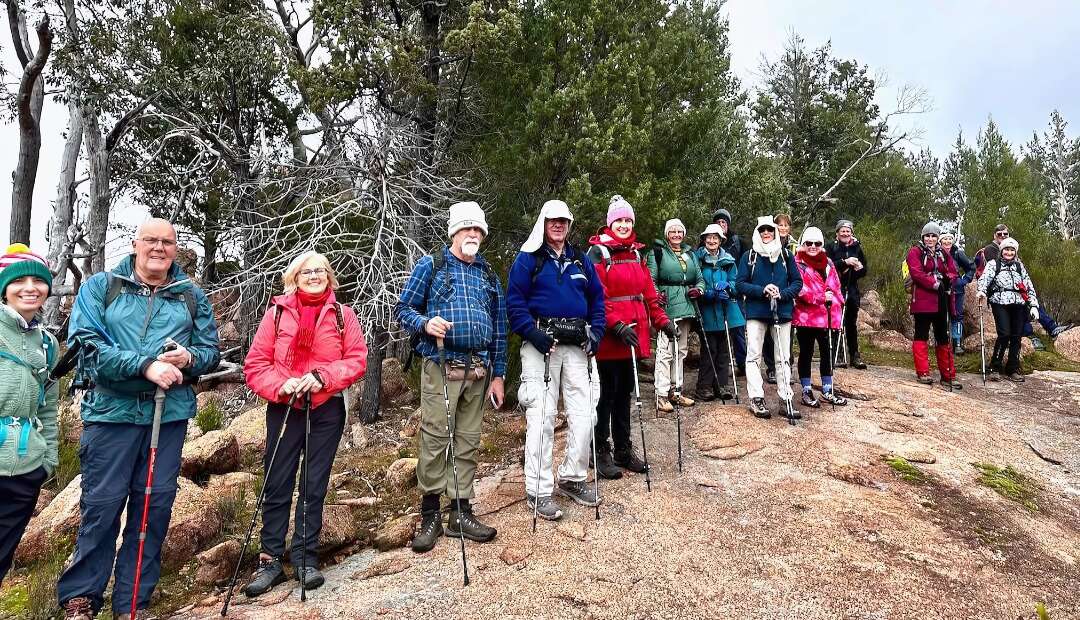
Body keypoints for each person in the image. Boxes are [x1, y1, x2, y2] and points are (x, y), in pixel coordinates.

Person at [58, 219, 220, 620]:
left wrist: (190, 359)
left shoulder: (190, 295)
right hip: (111, 414)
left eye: (167, 242)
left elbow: (209, 351)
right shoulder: (102, 287)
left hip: (167, 417)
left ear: (175, 249)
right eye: (151, 240)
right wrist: (144, 364)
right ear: (135, 243)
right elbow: (87, 346)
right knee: (102, 504)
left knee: (154, 506)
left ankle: (133, 602)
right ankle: (82, 599)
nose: (159, 248)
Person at [241, 251, 368, 595]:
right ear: (293, 278)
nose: (314, 276)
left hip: (325, 408)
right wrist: (279, 385)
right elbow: (255, 364)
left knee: (314, 483)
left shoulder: (344, 315)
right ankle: (270, 561)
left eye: (321, 271)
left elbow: (356, 360)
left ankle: (304, 558)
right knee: (277, 480)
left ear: (329, 277)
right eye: (306, 272)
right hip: (285, 406)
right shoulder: (276, 314)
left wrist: (323, 377)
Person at [396, 201, 507, 553]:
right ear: (454, 232)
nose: (473, 234)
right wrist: (426, 323)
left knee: (468, 439)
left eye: (478, 230)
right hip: (441, 365)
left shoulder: (488, 274)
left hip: (479, 369)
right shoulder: (431, 265)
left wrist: (499, 374)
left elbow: (500, 328)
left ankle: (460, 511)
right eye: (466, 229)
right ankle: (430, 514)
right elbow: (403, 309)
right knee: (435, 438)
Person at [506, 200, 605, 521]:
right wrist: (532, 334)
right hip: (540, 346)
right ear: (543, 223)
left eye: (564, 220)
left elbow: (597, 300)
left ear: (569, 224)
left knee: (585, 413)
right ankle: (538, 489)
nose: (559, 225)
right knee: (542, 417)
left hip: (578, 346)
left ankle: (573, 477)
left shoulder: (580, 259)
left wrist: (596, 334)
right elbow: (515, 302)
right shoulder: (528, 259)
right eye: (553, 220)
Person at [588, 195, 675, 479]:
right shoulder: (599, 254)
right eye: (619, 221)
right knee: (606, 396)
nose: (624, 225)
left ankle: (623, 449)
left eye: (628, 220)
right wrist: (615, 324)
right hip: (610, 337)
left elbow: (648, 292)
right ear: (610, 223)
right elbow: (596, 297)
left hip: (632, 337)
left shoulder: (637, 255)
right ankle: (599, 450)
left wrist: (662, 321)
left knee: (625, 394)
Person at [0, 245, 59, 585]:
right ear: (4, 289)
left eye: (38, 280)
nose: (29, 287)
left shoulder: (48, 344)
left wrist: (47, 459)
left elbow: (48, 408)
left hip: (25, 467)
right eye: (18, 280)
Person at [736, 216, 802, 419]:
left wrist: (782, 294)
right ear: (758, 232)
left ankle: (786, 398)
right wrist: (761, 290)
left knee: (782, 357)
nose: (766, 233)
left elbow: (797, 282)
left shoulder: (785, 255)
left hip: (781, 312)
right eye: (762, 230)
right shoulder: (750, 256)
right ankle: (756, 398)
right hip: (756, 312)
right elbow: (740, 284)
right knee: (754, 355)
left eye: (770, 230)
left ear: (775, 232)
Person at [646, 218, 705, 412]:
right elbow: (651, 278)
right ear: (667, 234)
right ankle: (661, 394)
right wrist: (656, 297)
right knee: (665, 351)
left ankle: (676, 390)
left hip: (687, 306)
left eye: (680, 231)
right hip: (667, 306)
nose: (677, 235)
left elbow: (699, 278)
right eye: (673, 232)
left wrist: (699, 290)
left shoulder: (690, 254)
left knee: (681, 350)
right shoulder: (658, 253)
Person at [791, 229, 848, 408]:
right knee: (806, 353)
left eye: (817, 243)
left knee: (827, 352)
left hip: (827, 316)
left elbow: (835, 286)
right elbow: (800, 289)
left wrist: (838, 300)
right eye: (809, 243)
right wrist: (822, 297)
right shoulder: (796, 263)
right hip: (805, 317)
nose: (813, 247)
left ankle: (827, 389)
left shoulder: (828, 263)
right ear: (803, 244)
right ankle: (806, 390)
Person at [976, 237, 1040, 383]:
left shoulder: (1019, 266)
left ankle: (1013, 368)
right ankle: (995, 367)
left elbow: (1028, 285)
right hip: (1000, 302)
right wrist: (981, 291)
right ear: (1001, 250)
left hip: (1018, 303)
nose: (1009, 252)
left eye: (1012, 250)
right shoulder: (994, 264)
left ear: (1015, 252)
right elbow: (985, 279)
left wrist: (1034, 305)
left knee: (1017, 336)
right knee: (1004, 333)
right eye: (1006, 249)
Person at [906, 222, 960, 389]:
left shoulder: (942, 253)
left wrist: (948, 280)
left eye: (933, 236)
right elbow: (916, 273)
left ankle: (948, 375)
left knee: (943, 335)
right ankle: (923, 372)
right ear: (923, 237)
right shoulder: (915, 252)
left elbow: (952, 270)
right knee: (921, 334)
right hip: (923, 299)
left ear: (938, 238)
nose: (930, 238)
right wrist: (933, 282)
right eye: (927, 236)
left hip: (941, 298)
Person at [692, 225, 743, 401]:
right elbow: (694, 281)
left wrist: (729, 287)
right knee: (709, 349)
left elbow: (736, 282)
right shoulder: (696, 259)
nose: (712, 241)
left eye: (716, 238)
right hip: (706, 310)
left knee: (723, 350)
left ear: (721, 240)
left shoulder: (728, 260)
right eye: (709, 237)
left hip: (725, 309)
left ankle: (721, 385)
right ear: (704, 239)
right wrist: (707, 293)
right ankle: (704, 386)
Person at [824, 219, 868, 370]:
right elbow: (827, 266)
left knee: (851, 323)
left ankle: (854, 354)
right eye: (842, 231)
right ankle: (837, 353)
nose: (845, 233)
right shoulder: (831, 247)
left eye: (848, 231)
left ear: (851, 233)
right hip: (835, 290)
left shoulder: (857, 247)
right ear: (837, 233)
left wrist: (858, 268)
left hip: (852, 290)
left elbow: (864, 269)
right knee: (836, 321)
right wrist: (845, 262)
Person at [763, 213, 798, 383]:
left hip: (787, 295)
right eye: (779, 225)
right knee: (768, 334)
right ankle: (771, 367)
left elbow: (797, 272)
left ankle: (786, 366)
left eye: (786, 225)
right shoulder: (764, 242)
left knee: (787, 334)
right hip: (767, 293)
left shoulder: (794, 246)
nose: (783, 228)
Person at [711, 208, 747, 375]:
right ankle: (720, 366)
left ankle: (743, 364)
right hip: (714, 295)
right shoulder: (708, 241)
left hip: (736, 292)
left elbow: (746, 263)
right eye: (718, 222)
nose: (721, 224)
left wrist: (739, 285)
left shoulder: (737, 241)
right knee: (718, 331)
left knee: (738, 329)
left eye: (723, 222)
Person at [939, 232, 974, 354]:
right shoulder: (936, 253)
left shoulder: (958, 253)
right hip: (940, 288)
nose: (947, 242)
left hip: (957, 289)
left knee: (957, 315)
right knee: (940, 316)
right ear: (940, 241)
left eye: (949, 239)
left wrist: (963, 281)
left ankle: (957, 343)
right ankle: (942, 343)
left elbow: (971, 267)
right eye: (945, 239)